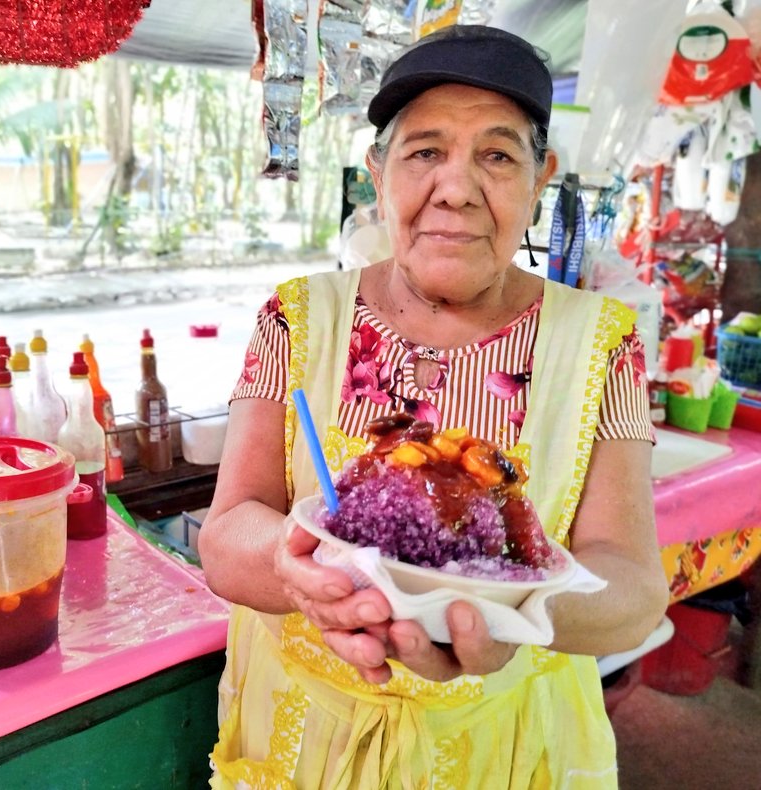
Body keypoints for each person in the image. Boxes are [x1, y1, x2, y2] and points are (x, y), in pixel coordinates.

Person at [198, 24, 670, 790]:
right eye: (423, 152)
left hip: (504, 749)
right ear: (377, 170)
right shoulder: (294, 319)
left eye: (496, 154)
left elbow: (633, 592)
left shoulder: (603, 343)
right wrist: (299, 568)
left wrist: (516, 609)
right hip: (303, 735)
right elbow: (227, 535)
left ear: (540, 175)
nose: (455, 187)